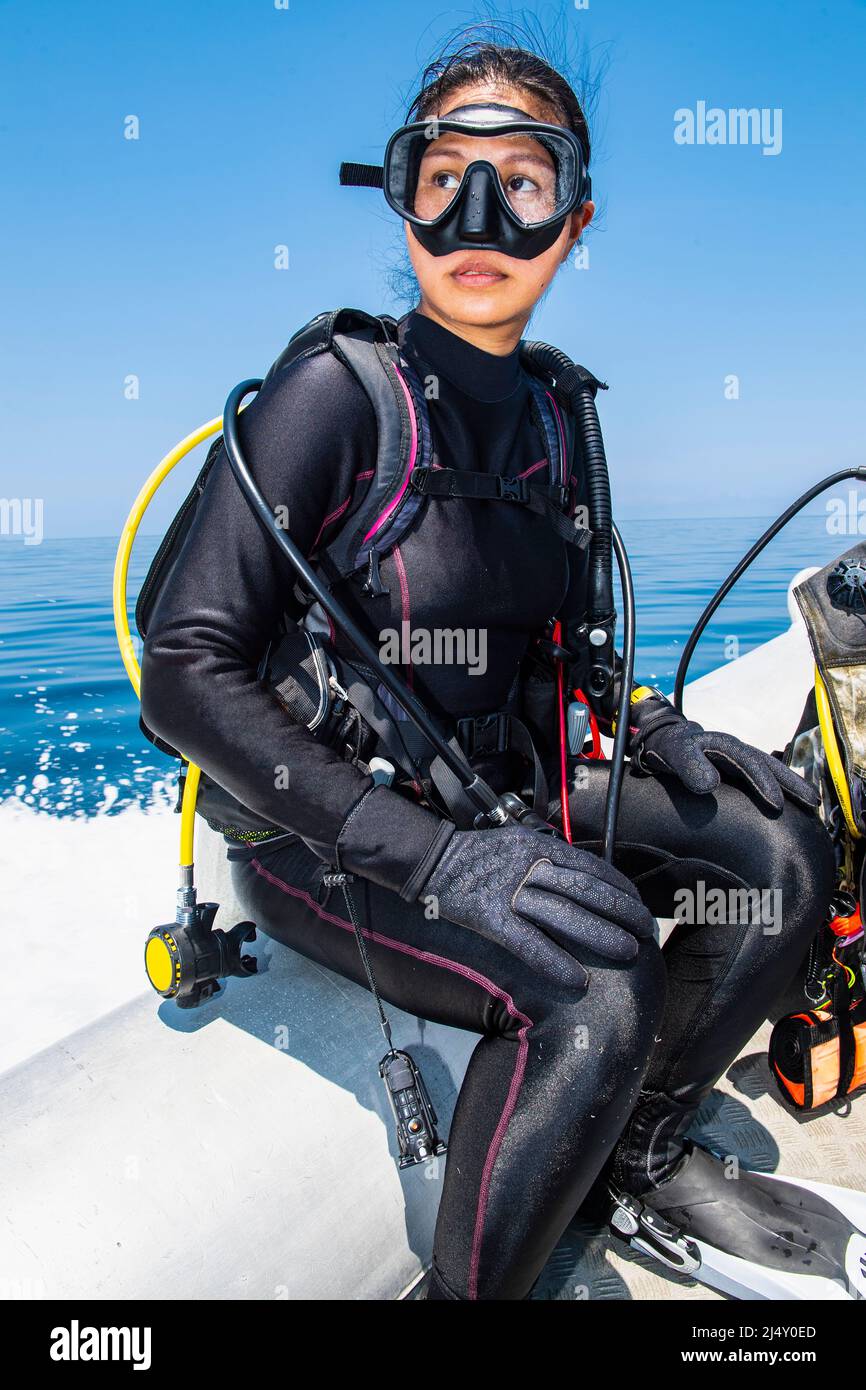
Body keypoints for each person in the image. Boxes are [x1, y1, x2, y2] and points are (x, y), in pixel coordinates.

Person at [140, 34, 834, 1301]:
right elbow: (183, 668)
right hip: (333, 846)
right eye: (441, 172)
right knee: (599, 979)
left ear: (574, 218)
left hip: (501, 798)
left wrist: (649, 723)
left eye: (519, 182)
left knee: (784, 849)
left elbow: (566, 642)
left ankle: (634, 1155)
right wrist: (433, 858)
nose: (476, 217)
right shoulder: (331, 397)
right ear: (397, 193)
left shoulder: (560, 414)